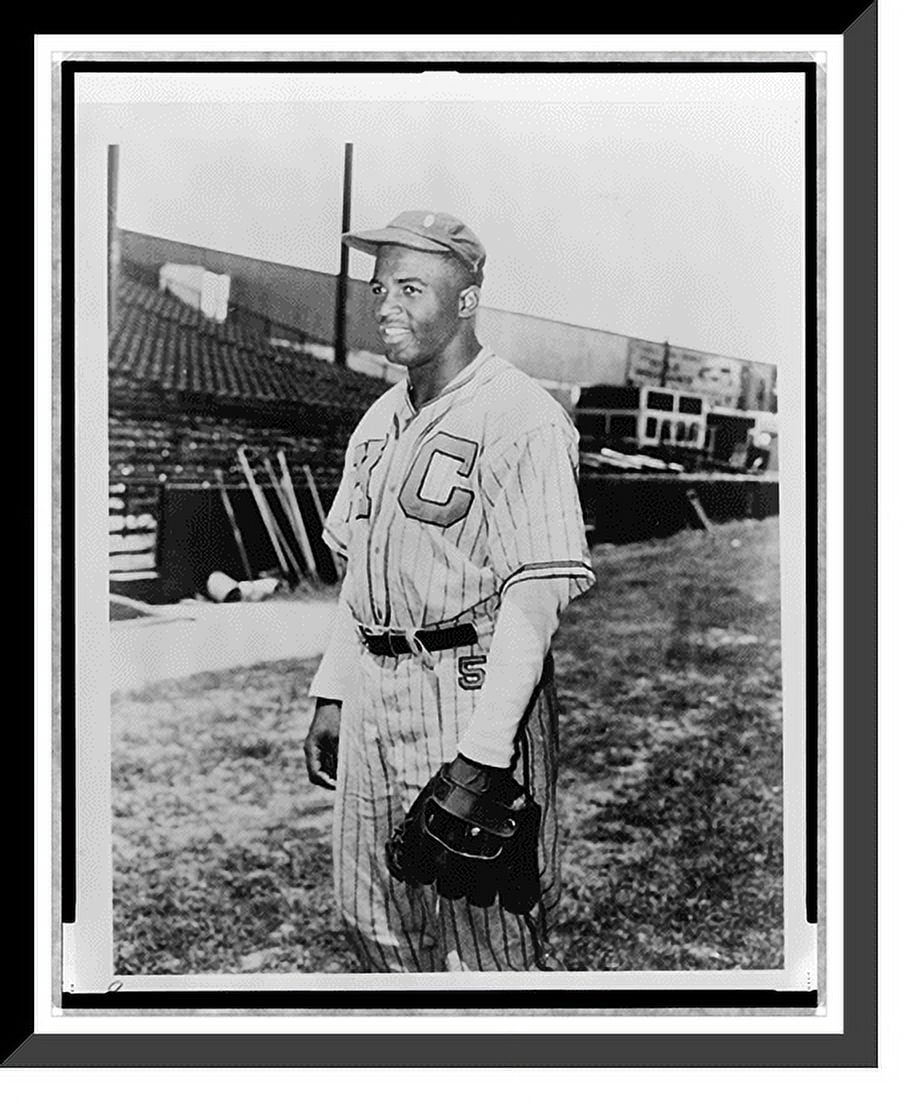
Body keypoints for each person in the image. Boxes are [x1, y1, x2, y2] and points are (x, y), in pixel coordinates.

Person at [304, 210, 595, 971]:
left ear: (466, 300)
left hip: (466, 689)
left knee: (486, 947)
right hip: (375, 687)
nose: (385, 305)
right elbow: (359, 572)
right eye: (379, 287)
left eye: (411, 287)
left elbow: (534, 605)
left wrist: (485, 754)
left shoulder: (523, 417)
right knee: (375, 925)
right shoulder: (377, 419)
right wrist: (334, 692)